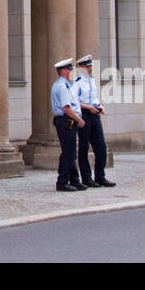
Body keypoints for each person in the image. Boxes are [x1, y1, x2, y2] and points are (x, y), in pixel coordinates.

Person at [74, 55, 115, 187]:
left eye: (90, 65)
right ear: (81, 67)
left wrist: (100, 105)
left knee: (101, 146)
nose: (90, 68)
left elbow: (94, 98)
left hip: (94, 114)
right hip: (84, 114)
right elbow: (74, 102)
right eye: (87, 66)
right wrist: (88, 108)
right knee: (84, 147)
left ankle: (100, 176)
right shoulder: (77, 81)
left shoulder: (92, 80)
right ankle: (86, 178)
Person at [51, 58, 85, 192]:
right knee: (68, 153)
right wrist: (79, 120)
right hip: (66, 121)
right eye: (70, 69)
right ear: (64, 71)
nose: (72, 71)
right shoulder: (62, 86)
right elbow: (66, 108)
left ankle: (74, 180)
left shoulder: (66, 84)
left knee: (71, 153)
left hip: (67, 121)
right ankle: (62, 182)